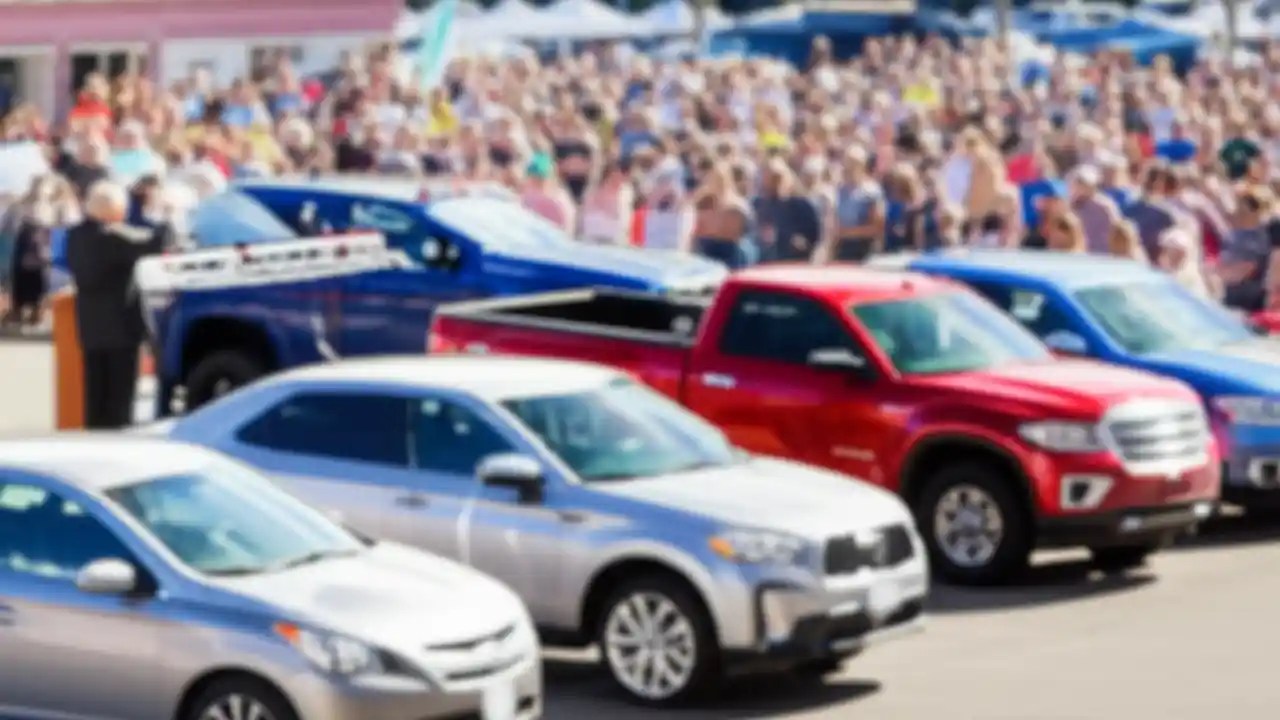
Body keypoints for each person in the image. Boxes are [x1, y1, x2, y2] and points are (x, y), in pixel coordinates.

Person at [66, 181, 164, 429]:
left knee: (95, 397)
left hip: (90, 328)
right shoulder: (114, 237)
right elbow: (157, 241)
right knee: (120, 403)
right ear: (116, 210)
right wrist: (160, 213)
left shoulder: (75, 236)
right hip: (121, 329)